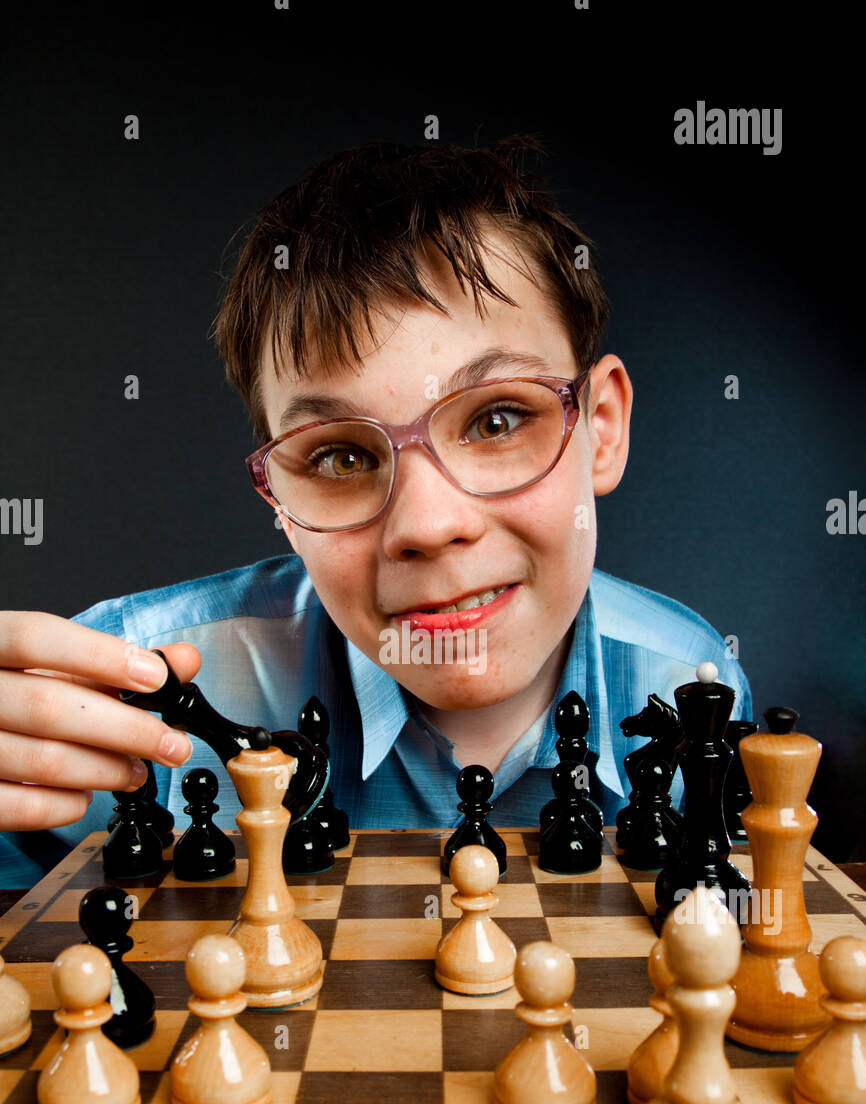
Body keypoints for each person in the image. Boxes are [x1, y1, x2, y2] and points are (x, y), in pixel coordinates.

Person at [0, 136, 751, 889]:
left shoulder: (692, 680)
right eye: (340, 457)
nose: (426, 524)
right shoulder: (131, 684)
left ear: (603, 429)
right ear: (279, 503)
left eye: (496, 420)